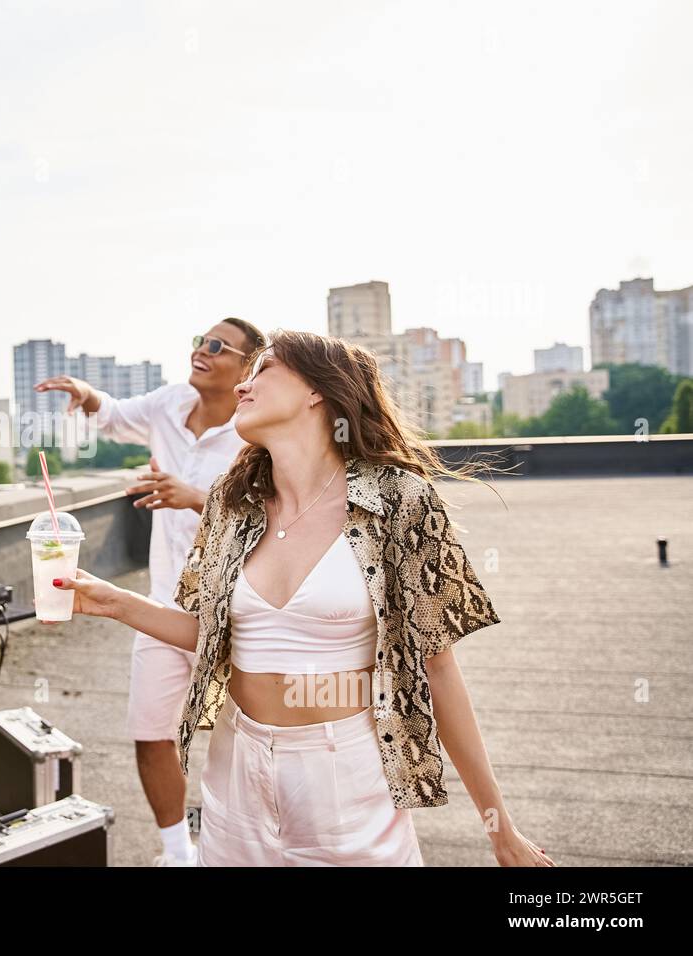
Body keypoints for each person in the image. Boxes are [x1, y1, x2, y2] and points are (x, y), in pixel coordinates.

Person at [48, 329, 556, 866]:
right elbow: (217, 635)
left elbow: (438, 669)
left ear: (317, 390)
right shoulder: (232, 499)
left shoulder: (399, 501)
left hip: (344, 777)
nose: (243, 386)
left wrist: (499, 827)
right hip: (234, 772)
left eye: (261, 370)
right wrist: (110, 601)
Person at [34, 317, 264, 866]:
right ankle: (177, 853)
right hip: (162, 606)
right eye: (199, 341)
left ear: (246, 369)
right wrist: (86, 394)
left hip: (241, 612)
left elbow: (276, 517)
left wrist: (194, 496)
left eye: (217, 346)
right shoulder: (168, 402)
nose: (201, 351)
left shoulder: (258, 428)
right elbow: (113, 416)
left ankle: (240, 849)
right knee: (150, 732)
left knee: (248, 743)